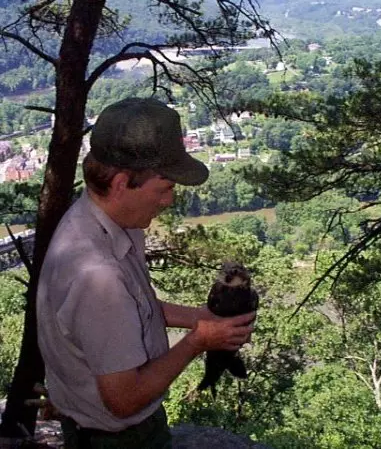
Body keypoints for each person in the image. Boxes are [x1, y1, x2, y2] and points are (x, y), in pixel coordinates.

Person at [36, 97, 255, 449]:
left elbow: (136, 306)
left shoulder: (104, 221)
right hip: (117, 439)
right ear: (122, 183)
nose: (169, 200)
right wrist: (199, 341)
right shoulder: (97, 277)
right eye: (165, 187)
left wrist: (204, 319)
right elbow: (123, 402)